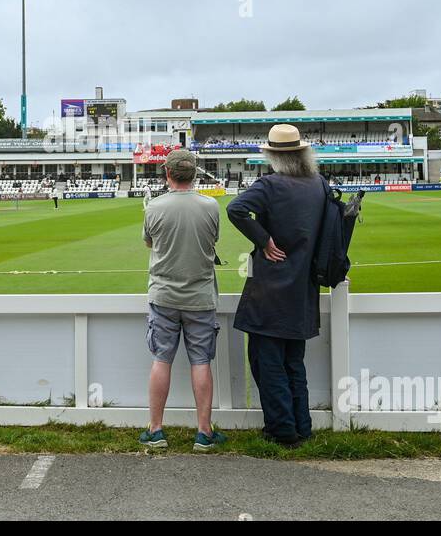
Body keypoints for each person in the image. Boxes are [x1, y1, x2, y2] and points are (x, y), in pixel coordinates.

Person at [226, 124, 327, 446]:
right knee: (294, 363)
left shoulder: (270, 185)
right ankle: (302, 427)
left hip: (271, 288)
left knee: (268, 363)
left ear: (272, 156)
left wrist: (264, 239)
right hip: (304, 286)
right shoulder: (319, 184)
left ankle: (283, 431)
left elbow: (236, 209)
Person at [139, 149, 226, 453]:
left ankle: (156, 429)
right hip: (200, 296)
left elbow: (150, 242)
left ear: (167, 173)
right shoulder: (211, 206)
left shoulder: (154, 207)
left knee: (162, 359)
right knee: (201, 361)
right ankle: (204, 432)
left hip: (164, 294)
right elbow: (213, 241)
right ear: (195, 174)